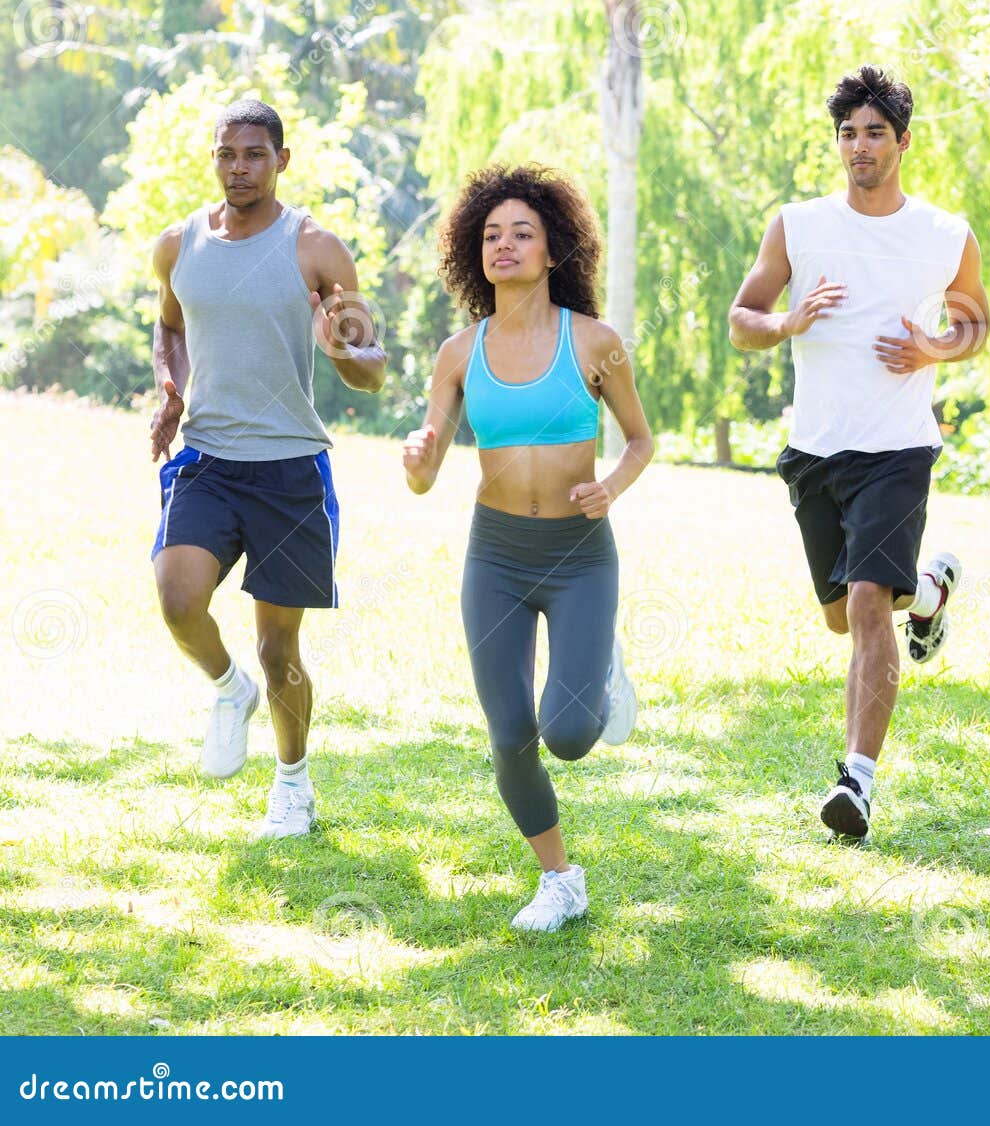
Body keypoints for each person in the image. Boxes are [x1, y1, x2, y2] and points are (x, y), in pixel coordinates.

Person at [728, 64, 990, 841]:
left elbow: (975, 322)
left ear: (903, 142)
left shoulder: (945, 233)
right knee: (844, 617)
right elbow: (743, 317)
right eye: (848, 133)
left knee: (872, 604)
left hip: (898, 447)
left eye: (876, 132)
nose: (860, 145)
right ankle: (931, 592)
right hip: (815, 450)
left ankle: (858, 783)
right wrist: (788, 322)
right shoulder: (798, 224)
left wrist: (934, 349)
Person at [402, 164, 654, 934]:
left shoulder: (596, 343)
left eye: (522, 233)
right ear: (470, 254)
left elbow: (642, 441)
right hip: (497, 558)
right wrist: (418, 458)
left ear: (554, 250)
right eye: (490, 235)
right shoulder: (458, 353)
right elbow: (428, 466)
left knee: (571, 735)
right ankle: (559, 878)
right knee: (511, 735)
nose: (504, 246)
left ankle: (599, 666)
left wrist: (611, 484)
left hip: (580, 556)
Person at [148, 98, 385, 839]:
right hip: (208, 461)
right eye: (226, 154)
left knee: (279, 648)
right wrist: (170, 386)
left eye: (254, 154)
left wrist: (344, 350)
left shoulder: (315, 248)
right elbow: (169, 322)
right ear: (213, 159)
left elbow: (373, 370)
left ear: (283, 161)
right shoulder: (179, 243)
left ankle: (292, 784)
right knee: (178, 597)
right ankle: (226, 690)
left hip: (290, 470)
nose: (238, 167)